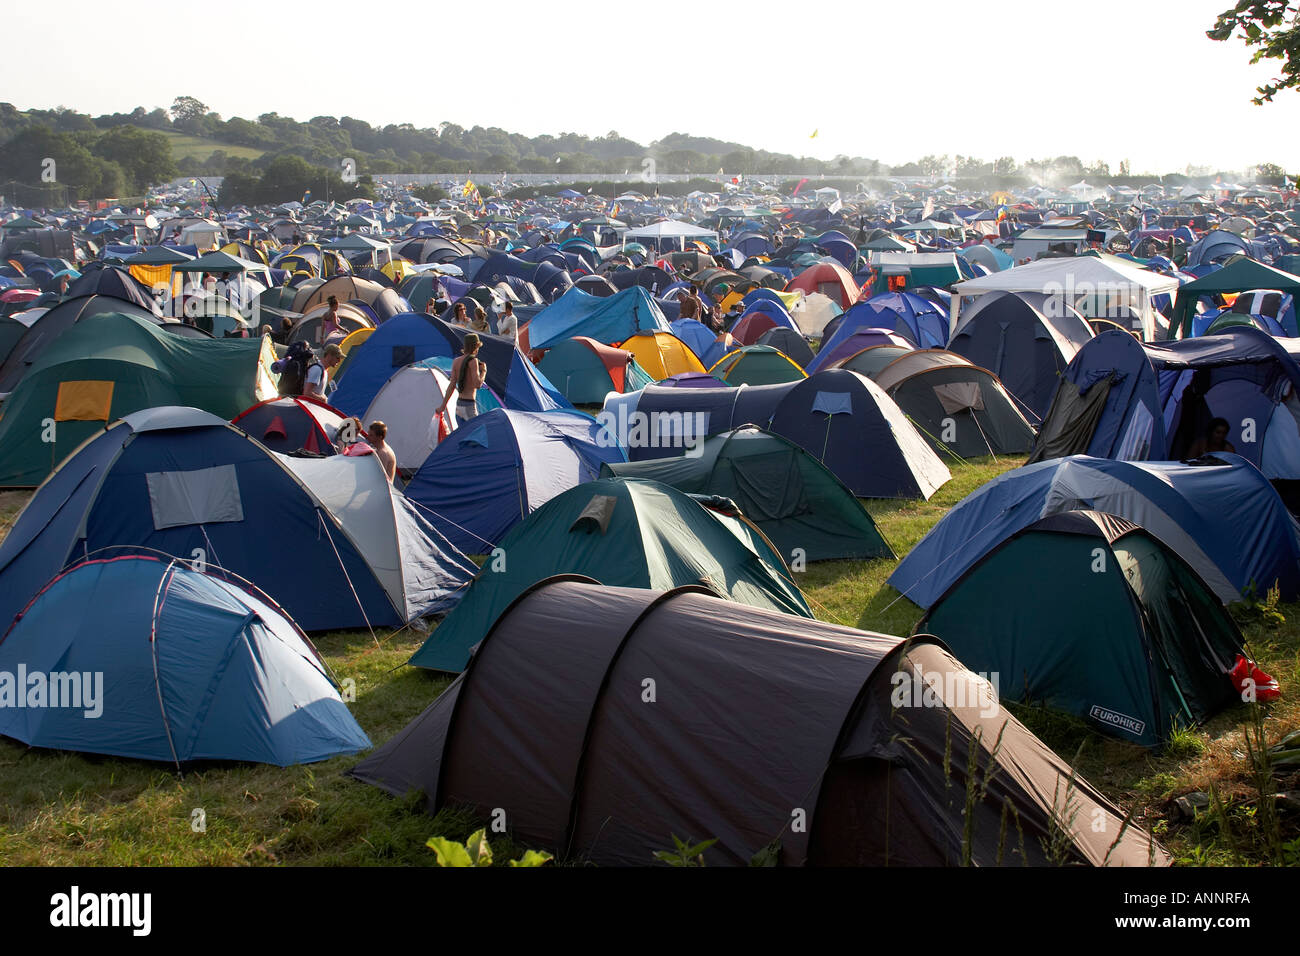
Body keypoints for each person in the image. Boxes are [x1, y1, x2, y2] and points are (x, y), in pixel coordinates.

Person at [436, 333, 487, 424]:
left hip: (459, 405)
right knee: (477, 433)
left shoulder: (456, 361)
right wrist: (483, 372)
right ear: (475, 346)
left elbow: (452, 386)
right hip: (469, 405)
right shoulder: (473, 361)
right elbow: (477, 384)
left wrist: (442, 406)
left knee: (462, 435)